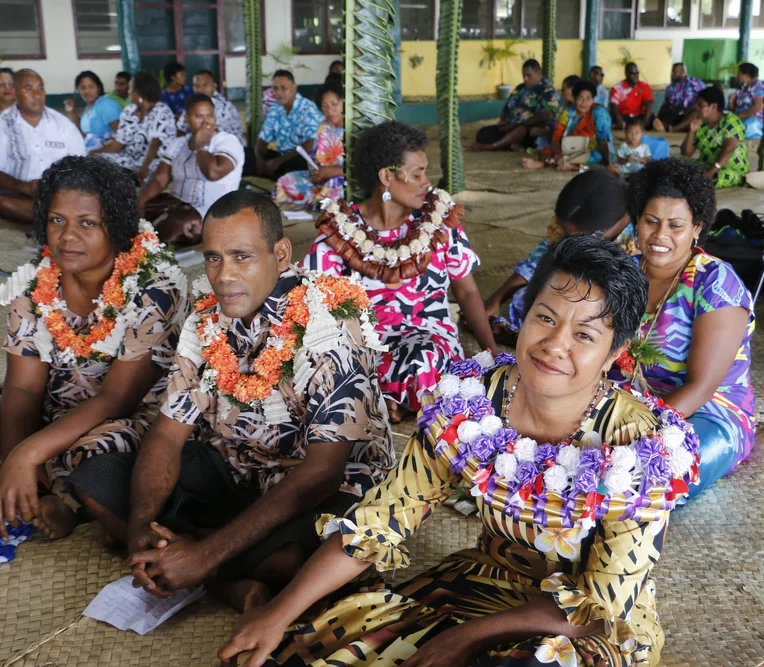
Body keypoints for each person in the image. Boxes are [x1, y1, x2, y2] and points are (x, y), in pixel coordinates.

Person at [217, 234, 700, 667]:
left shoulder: (641, 445)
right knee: (307, 649)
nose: (555, 345)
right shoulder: (470, 402)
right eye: (545, 319)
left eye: (585, 335)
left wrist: (467, 638)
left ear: (616, 351)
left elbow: (602, 605)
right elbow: (382, 520)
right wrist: (278, 615)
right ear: (524, 316)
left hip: (583, 626)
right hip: (484, 582)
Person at [66, 190, 394, 613]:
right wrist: (139, 525)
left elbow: (322, 472)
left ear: (280, 253)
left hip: (323, 486)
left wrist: (205, 555)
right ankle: (208, 566)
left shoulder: (331, 324)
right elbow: (167, 434)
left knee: (307, 553)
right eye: (213, 257)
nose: (223, 276)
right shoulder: (205, 318)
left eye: (242, 256)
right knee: (95, 480)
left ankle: (204, 563)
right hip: (239, 470)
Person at [0, 155, 186, 540]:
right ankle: (37, 494)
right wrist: (20, 456)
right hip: (52, 415)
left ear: (116, 227)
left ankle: (44, 494)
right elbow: (22, 390)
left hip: (120, 420)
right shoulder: (35, 286)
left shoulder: (153, 292)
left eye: (87, 223)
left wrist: (28, 454)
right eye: (57, 220)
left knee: (102, 457)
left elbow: (117, 399)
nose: (68, 236)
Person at [306, 121, 497, 422]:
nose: (426, 181)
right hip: (368, 349)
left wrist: (491, 353)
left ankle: (389, 403)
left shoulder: (439, 225)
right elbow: (319, 315)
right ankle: (388, 401)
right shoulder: (338, 236)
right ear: (386, 176)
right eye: (417, 173)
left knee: (424, 359)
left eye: (425, 172)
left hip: (429, 342)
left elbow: (467, 290)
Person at [611, 157, 755, 500]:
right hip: (625, 403)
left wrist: (635, 433)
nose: (661, 236)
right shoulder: (623, 273)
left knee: (644, 479)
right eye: (651, 221)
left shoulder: (716, 284)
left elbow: (701, 387)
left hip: (706, 414)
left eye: (676, 225)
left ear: (697, 228)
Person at [484, 169, 634, 343]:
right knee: (523, 300)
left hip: (608, 299)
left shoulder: (639, 239)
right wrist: (496, 298)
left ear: (604, 230)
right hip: (575, 284)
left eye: (579, 236)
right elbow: (540, 259)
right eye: (565, 233)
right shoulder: (575, 218)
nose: (570, 239)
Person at [137, 93, 244, 247]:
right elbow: (160, 178)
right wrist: (141, 201)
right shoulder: (179, 143)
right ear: (187, 119)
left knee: (177, 223)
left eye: (210, 116)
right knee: (135, 208)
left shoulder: (227, 142)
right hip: (176, 203)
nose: (206, 122)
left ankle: (146, 247)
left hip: (211, 211)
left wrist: (201, 145)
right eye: (199, 116)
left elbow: (213, 173)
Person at [0, 69, 85, 224]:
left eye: (40, 88)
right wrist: (24, 187)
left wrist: (58, 189)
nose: (37, 95)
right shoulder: (0, 127)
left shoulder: (64, 126)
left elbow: (81, 167)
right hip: (19, 194)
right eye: (29, 88)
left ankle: (53, 218)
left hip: (59, 194)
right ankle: (59, 219)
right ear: (15, 92)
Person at [90, 71, 176, 183]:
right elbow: (119, 143)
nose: (128, 91)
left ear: (140, 92)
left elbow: (155, 143)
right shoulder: (129, 111)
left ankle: (131, 177)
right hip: (130, 159)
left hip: (153, 160)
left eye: (131, 88)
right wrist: (97, 152)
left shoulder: (162, 111)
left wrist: (144, 168)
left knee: (157, 169)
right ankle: (127, 176)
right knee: (98, 160)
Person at [274, 82, 345, 211]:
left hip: (341, 179)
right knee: (285, 180)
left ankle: (319, 204)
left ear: (344, 102)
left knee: (335, 185)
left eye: (334, 104)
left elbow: (359, 167)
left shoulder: (353, 128)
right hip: (321, 178)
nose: (329, 110)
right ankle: (316, 203)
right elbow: (313, 157)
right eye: (324, 106)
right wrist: (315, 172)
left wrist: (331, 172)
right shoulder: (323, 127)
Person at [470, 59, 559, 152]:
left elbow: (546, 115)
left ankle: (490, 147)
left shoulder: (547, 90)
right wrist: (503, 120)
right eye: (523, 75)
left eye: (529, 76)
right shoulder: (520, 88)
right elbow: (507, 106)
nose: (525, 79)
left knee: (523, 130)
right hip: (511, 126)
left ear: (539, 73)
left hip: (530, 128)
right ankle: (511, 144)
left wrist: (519, 124)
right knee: (483, 134)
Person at [522, 80, 612, 171]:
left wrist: (608, 164)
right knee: (546, 151)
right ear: (574, 99)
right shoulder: (568, 111)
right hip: (568, 149)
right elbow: (555, 139)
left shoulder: (599, 112)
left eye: (588, 98)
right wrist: (558, 153)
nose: (584, 102)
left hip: (591, 151)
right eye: (580, 98)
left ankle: (560, 164)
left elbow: (604, 142)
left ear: (593, 99)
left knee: (596, 157)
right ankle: (558, 162)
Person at [256, 70, 324, 179]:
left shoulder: (308, 109)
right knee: (247, 154)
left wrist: (278, 162)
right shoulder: (274, 110)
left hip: (304, 159)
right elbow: (263, 140)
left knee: (297, 163)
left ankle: (276, 173)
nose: (278, 93)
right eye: (275, 88)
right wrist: (259, 160)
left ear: (294, 88)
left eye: (283, 88)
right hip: (283, 157)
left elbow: (312, 143)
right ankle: (271, 171)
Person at [682, 87, 749, 189]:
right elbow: (687, 153)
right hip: (706, 165)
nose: (697, 108)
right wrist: (691, 131)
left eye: (701, 105)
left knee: (719, 177)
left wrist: (710, 172)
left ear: (713, 106)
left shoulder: (730, 121)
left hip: (729, 168)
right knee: (679, 166)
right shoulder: (701, 123)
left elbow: (728, 149)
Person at [177, 69, 246, 147]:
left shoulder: (223, 106)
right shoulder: (194, 103)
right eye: (196, 86)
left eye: (205, 85)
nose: (200, 89)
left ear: (214, 86)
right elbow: (181, 129)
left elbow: (209, 134)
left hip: (228, 148)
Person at [64, 71, 122, 152]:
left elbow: (120, 134)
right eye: (83, 88)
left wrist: (99, 151)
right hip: (90, 154)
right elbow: (84, 135)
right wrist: (71, 112)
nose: (87, 91)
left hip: (105, 155)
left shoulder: (106, 105)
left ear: (98, 87)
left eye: (91, 87)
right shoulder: (88, 108)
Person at [653, 63, 705, 133]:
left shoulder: (696, 83)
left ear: (682, 70)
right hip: (675, 113)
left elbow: (704, 98)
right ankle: (667, 128)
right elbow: (666, 104)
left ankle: (674, 129)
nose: (673, 73)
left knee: (695, 113)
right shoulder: (670, 88)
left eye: (675, 71)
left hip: (689, 112)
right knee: (661, 119)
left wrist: (690, 107)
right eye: (673, 71)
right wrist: (658, 118)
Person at [609, 62, 654, 130]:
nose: (635, 75)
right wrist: (618, 117)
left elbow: (648, 103)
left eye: (637, 72)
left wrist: (646, 118)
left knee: (654, 120)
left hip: (639, 116)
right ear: (626, 74)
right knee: (611, 118)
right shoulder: (617, 88)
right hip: (624, 116)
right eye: (632, 73)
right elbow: (614, 105)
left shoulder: (644, 86)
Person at [729, 62, 764, 140]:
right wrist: (731, 102)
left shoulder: (757, 86)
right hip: (742, 117)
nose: (737, 77)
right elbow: (736, 107)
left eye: (739, 74)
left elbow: (757, 107)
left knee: (736, 131)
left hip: (753, 120)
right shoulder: (743, 87)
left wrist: (739, 116)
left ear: (747, 76)